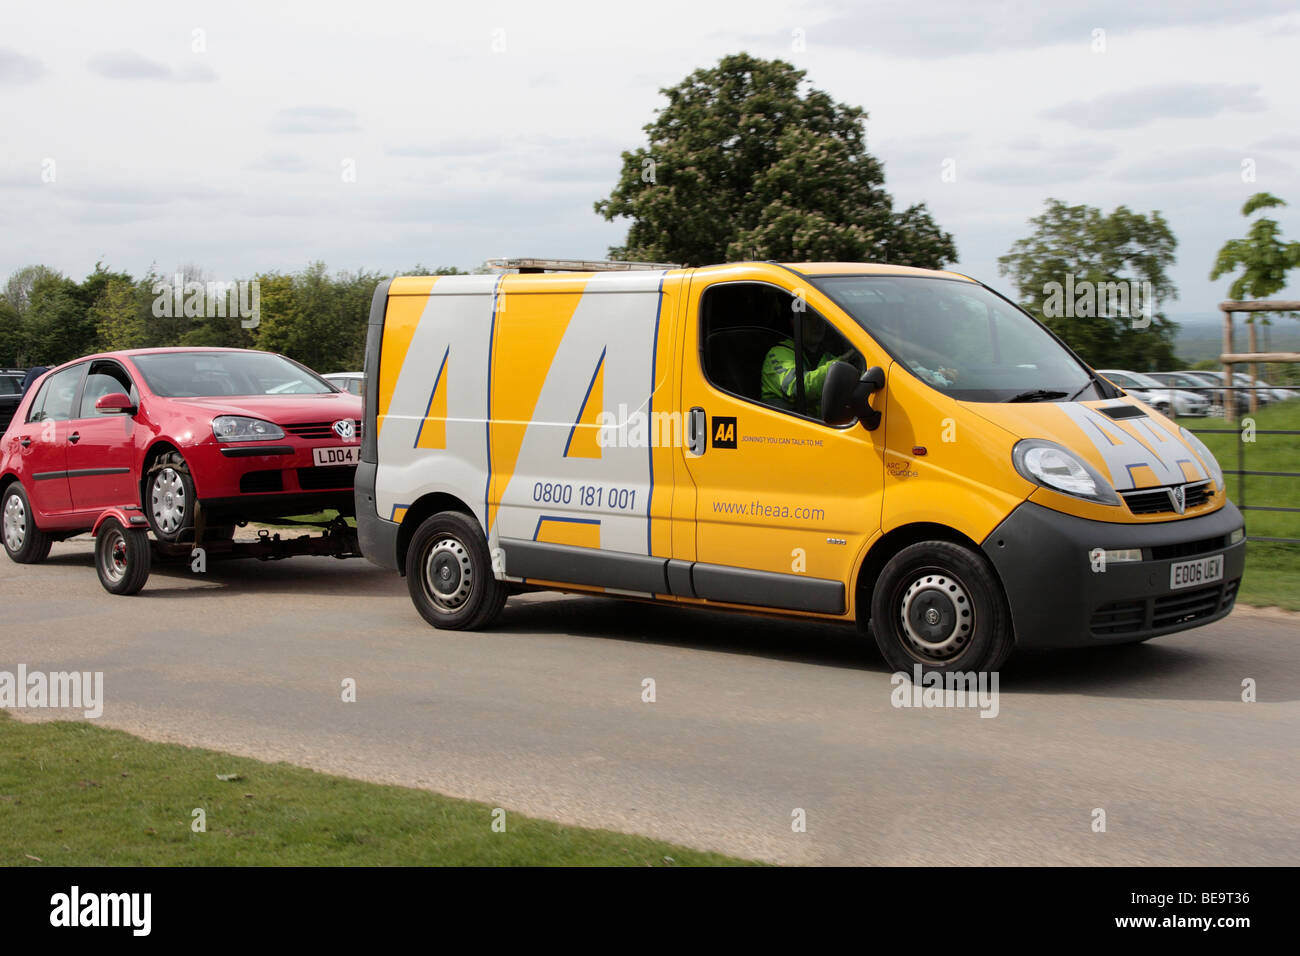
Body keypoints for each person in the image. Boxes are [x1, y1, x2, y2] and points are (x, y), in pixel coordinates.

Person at [760, 313, 854, 418]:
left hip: (822, 428)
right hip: (782, 429)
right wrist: (836, 368)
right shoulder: (778, 353)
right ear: (794, 323)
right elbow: (796, 388)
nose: (817, 325)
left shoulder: (829, 358)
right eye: (809, 319)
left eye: (820, 319)